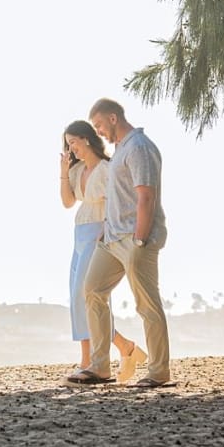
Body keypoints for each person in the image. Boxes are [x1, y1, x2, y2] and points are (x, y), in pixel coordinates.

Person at [67, 99, 170, 387]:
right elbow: (117, 197)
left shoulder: (139, 147)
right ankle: (99, 367)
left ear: (113, 119)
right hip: (111, 239)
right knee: (92, 291)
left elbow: (146, 196)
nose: (98, 132)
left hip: (136, 239)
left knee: (147, 305)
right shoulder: (120, 150)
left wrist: (139, 238)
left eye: (99, 125)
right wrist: (107, 229)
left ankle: (159, 372)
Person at [60, 120, 146, 381]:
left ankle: (93, 360)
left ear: (86, 139)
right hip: (79, 234)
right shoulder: (76, 171)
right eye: (67, 144)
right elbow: (67, 202)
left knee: (84, 295)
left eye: (73, 141)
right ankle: (122, 348)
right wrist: (63, 172)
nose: (70, 148)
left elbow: (116, 201)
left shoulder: (107, 169)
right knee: (78, 299)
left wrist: (105, 231)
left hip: (99, 234)